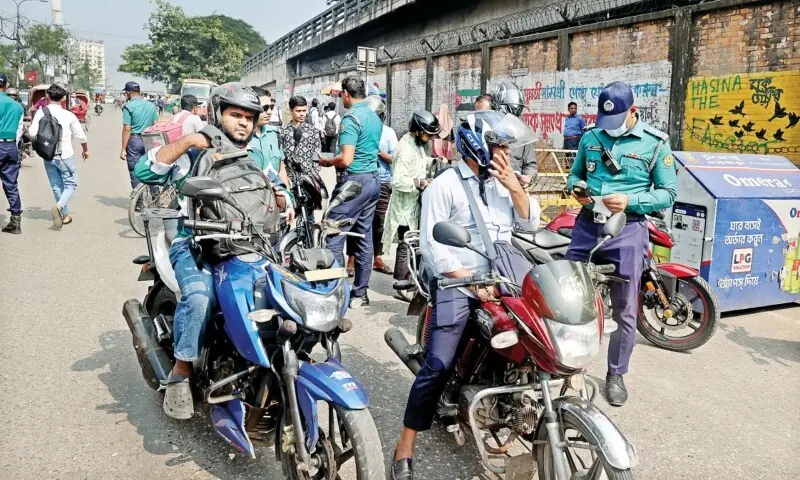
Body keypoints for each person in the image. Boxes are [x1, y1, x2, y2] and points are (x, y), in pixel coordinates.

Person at [391, 110, 540, 479]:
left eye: (507, 147)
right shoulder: (445, 186)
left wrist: (515, 186)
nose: (507, 153)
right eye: (500, 146)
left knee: (538, 340)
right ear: (477, 146)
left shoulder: (502, 183)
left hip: (503, 276)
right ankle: (405, 444)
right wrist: (469, 280)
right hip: (457, 280)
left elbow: (530, 224)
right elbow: (433, 247)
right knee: (438, 364)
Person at [134, 83, 290, 420]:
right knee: (201, 295)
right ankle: (181, 369)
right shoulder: (194, 153)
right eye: (236, 115)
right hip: (195, 244)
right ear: (217, 114)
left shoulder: (254, 155)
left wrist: (283, 200)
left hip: (247, 244)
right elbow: (144, 171)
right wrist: (189, 141)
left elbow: (274, 186)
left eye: (249, 117)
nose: (244, 122)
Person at [566, 81, 677, 406]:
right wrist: (577, 188)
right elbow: (574, 175)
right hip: (588, 224)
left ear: (633, 112)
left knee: (625, 307)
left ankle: (616, 373)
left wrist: (630, 201)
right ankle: (565, 362)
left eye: (616, 121)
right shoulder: (591, 137)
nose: (609, 128)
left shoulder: (655, 143)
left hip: (627, 230)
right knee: (568, 294)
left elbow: (668, 193)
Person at [318, 76, 382, 308]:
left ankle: (335, 291)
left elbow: (346, 159)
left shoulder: (351, 118)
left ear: (346, 93)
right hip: (373, 179)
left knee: (333, 233)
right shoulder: (374, 116)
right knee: (363, 236)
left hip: (354, 182)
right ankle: (360, 293)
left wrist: (327, 162)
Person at [382, 110, 441, 300]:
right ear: (417, 131)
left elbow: (419, 162)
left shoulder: (417, 145)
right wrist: (421, 182)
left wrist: (435, 162)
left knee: (414, 244)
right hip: (404, 208)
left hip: (414, 205)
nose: (430, 138)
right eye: (427, 134)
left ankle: (412, 280)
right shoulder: (405, 148)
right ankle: (401, 284)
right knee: (405, 245)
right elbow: (398, 181)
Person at [346, 95, 398, 276]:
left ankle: (378, 257)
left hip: (382, 181)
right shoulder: (357, 126)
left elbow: (395, 159)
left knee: (378, 222)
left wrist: (379, 153)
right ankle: (351, 259)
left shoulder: (389, 133)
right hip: (360, 179)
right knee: (354, 221)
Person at [28, 84, 90, 228]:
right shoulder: (68, 115)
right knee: (71, 184)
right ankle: (59, 207)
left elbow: (32, 133)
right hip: (65, 155)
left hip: (48, 155)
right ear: (63, 98)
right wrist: (85, 150)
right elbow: (81, 136)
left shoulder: (41, 112)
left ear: (47, 96)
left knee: (56, 185)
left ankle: (65, 215)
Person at [280, 95, 321, 234]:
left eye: (304, 110)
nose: (302, 114)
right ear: (291, 110)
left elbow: (317, 155)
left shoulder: (313, 131)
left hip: (307, 180)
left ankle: (308, 242)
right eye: (298, 111)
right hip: (289, 180)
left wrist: (313, 176)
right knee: (287, 215)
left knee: (308, 216)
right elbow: (281, 158)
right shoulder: (283, 132)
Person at [249, 86, 291, 211]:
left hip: (276, 205)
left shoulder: (274, 134)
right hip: (251, 205)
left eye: (271, 107)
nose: (269, 112)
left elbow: (281, 169)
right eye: (265, 108)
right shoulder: (240, 138)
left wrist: (288, 200)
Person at [491, 81, 537, 188]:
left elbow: (530, 164)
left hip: (514, 188)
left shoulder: (523, 133)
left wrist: (528, 177)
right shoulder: (488, 131)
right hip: (491, 187)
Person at [120, 81, 158, 189]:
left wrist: (123, 149)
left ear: (128, 92)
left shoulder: (128, 106)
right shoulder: (151, 105)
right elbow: (156, 124)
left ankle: (138, 197)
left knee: (134, 169)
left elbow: (127, 129)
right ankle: (155, 195)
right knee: (151, 168)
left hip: (135, 141)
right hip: (149, 140)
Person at [0, 73, 24, 234]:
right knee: (11, 184)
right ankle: (16, 222)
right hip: (10, 146)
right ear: (6, 86)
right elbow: (19, 131)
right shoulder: (17, 106)